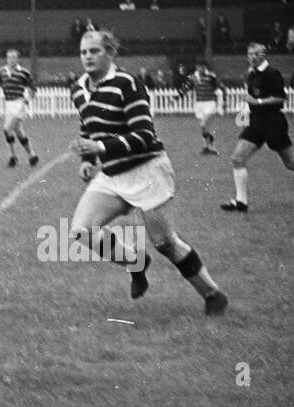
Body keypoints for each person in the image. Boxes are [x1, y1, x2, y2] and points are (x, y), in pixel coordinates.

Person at [68, 30, 227, 315]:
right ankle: (136, 263)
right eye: (83, 52)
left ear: (110, 53)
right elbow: (88, 123)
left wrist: (100, 146)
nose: (88, 57)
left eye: (95, 51)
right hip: (113, 175)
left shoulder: (128, 84)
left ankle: (213, 294)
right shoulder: (78, 88)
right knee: (82, 231)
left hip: (147, 170)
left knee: (165, 243)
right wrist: (89, 157)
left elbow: (144, 136)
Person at [221, 43, 293, 213]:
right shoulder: (251, 74)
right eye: (249, 54)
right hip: (256, 123)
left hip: (273, 123)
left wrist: (257, 102)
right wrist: (249, 108)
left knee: (290, 162)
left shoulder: (272, 73)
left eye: (255, 54)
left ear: (263, 55)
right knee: (237, 158)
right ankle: (241, 202)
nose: (251, 57)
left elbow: (280, 98)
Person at [0, 49, 39, 167]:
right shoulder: (1, 72)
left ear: (17, 59)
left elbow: (33, 87)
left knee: (7, 129)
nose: (12, 60)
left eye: (14, 58)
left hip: (19, 104)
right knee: (18, 132)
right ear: (7, 59)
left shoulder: (23, 72)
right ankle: (32, 155)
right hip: (8, 105)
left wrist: (28, 98)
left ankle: (13, 156)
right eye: (9, 57)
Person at [187, 59, 223, 154]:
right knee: (205, 128)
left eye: (202, 67)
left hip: (210, 103)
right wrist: (176, 98)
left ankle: (211, 139)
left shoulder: (211, 77)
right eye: (198, 67)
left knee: (203, 125)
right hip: (199, 105)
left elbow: (218, 89)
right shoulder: (194, 77)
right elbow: (187, 88)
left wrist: (221, 103)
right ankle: (208, 147)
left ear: (205, 67)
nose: (200, 69)